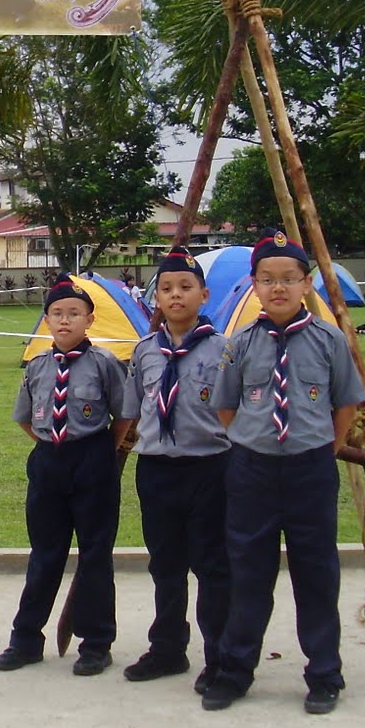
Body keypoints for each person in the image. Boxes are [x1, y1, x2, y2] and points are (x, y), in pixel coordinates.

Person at [202, 231, 364, 715]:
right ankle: (234, 671)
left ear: (306, 284)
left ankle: (324, 674)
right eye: (268, 279)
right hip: (252, 471)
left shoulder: (330, 340)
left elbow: (345, 404)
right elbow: (226, 407)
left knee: (317, 574)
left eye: (289, 279)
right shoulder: (240, 343)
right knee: (248, 574)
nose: (278, 288)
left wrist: (323, 449)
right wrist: (255, 441)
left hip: (310, 470)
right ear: (253, 285)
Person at [0, 273, 133, 676]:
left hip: (93, 461)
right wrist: (48, 445)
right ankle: (25, 640)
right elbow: (25, 417)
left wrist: (104, 449)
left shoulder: (105, 363)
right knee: (45, 554)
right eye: (57, 313)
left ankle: (96, 643)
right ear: (47, 320)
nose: (65, 320)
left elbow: (124, 414)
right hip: (49, 463)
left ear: (90, 320)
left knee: (95, 554)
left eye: (74, 313)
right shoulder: (37, 366)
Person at [120, 247, 232, 692]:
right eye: (166, 288)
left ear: (203, 295)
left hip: (209, 469)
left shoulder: (225, 350)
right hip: (156, 471)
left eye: (186, 287)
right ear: (156, 298)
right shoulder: (145, 351)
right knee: (165, 565)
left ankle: (219, 657)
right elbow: (132, 412)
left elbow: (237, 413)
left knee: (212, 566)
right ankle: (167, 648)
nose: (175, 295)